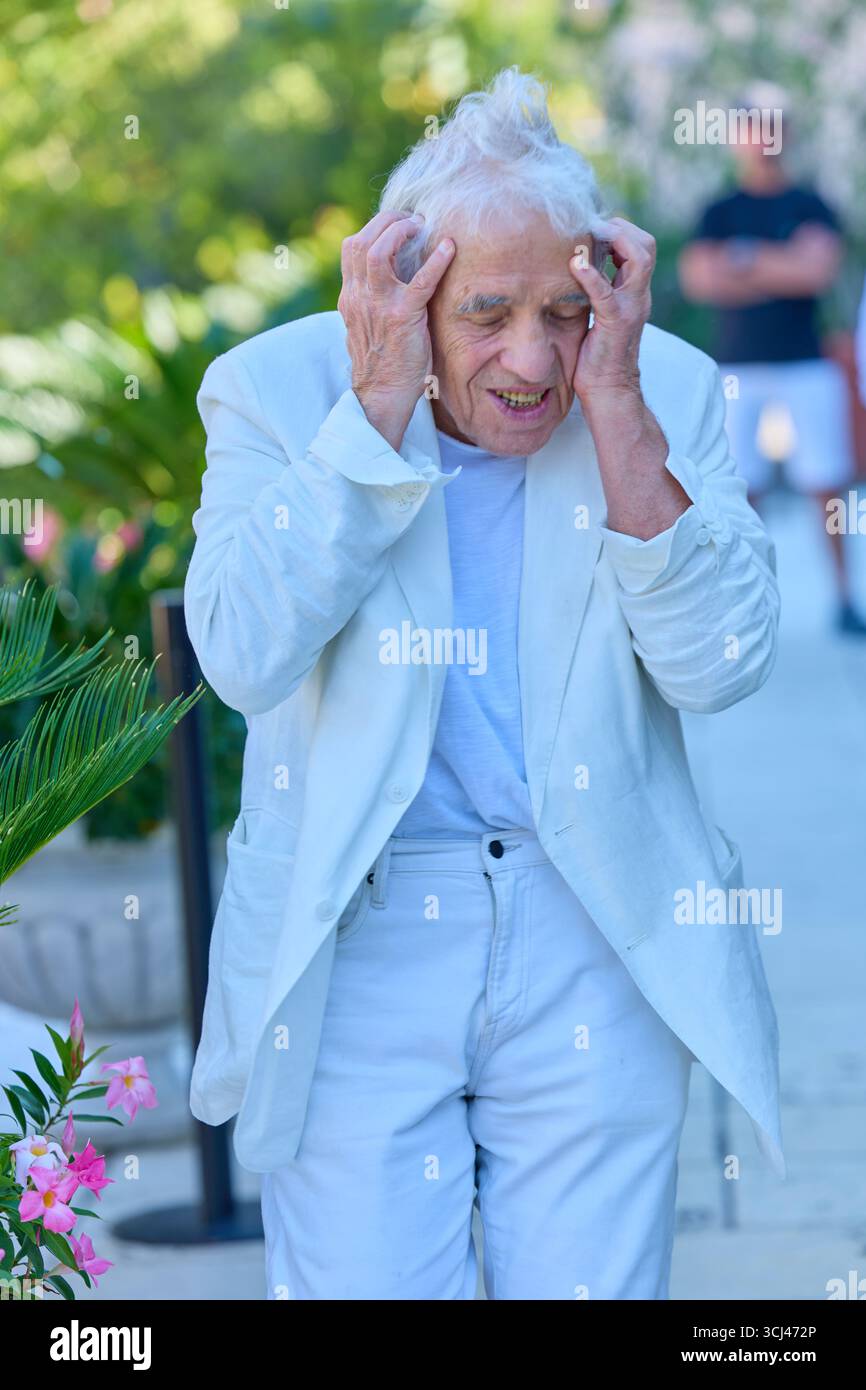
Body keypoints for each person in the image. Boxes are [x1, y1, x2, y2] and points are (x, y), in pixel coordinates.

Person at [184, 68, 783, 1301]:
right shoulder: (280, 389)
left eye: (565, 310)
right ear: (406, 289)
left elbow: (720, 666)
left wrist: (616, 412)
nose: (532, 357)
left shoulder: (653, 383)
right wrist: (376, 409)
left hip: (589, 917)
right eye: (486, 311)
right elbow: (240, 652)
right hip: (362, 924)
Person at [678, 100, 865, 635]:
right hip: (738, 368)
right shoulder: (719, 209)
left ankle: (845, 598)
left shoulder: (811, 205)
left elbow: (815, 274)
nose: (761, 142)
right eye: (751, 132)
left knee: (825, 483)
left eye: (770, 132)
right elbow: (699, 281)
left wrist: (740, 262)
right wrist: (778, 263)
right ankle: (739, 604)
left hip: (806, 365)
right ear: (736, 139)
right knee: (736, 487)